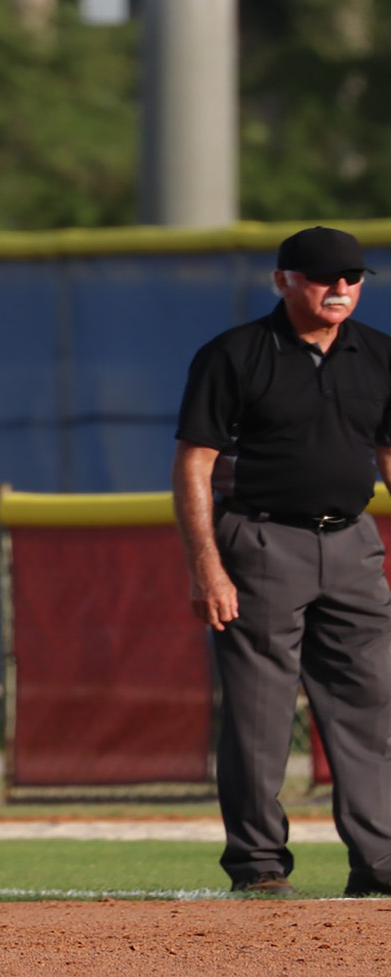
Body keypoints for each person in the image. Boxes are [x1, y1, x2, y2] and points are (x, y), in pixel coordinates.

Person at [174, 225, 391, 898]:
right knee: (258, 716)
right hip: (263, 543)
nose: (341, 288)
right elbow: (195, 464)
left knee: (372, 707)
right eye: (324, 277)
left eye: (352, 277)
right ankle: (260, 865)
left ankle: (379, 864)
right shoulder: (235, 355)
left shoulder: (378, 355)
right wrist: (207, 566)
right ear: (284, 280)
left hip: (354, 544)